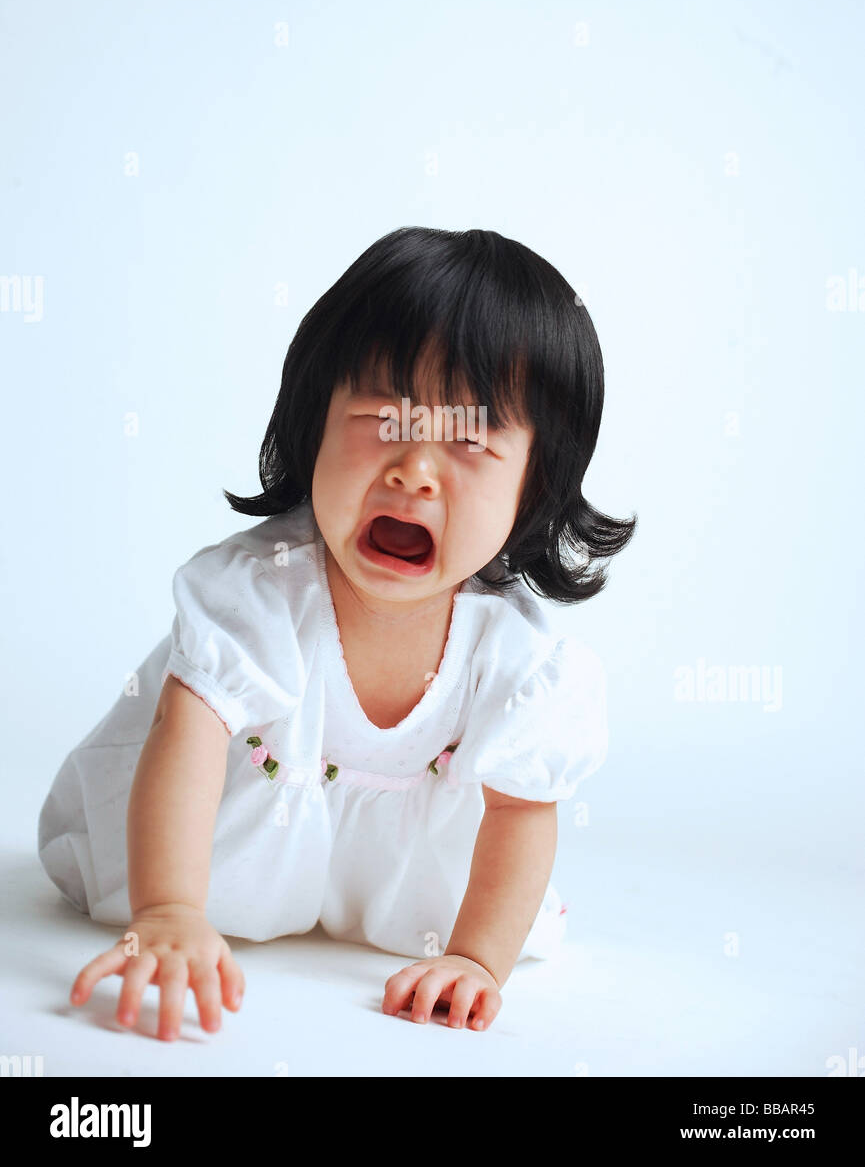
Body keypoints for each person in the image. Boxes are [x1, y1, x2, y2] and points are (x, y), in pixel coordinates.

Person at [38, 226, 636, 1039]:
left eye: (468, 441)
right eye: (382, 418)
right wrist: (171, 908)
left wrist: (473, 959)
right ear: (312, 421)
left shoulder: (519, 659)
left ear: (535, 486)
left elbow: (519, 814)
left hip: (406, 894)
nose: (413, 469)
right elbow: (186, 740)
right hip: (200, 845)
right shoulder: (259, 593)